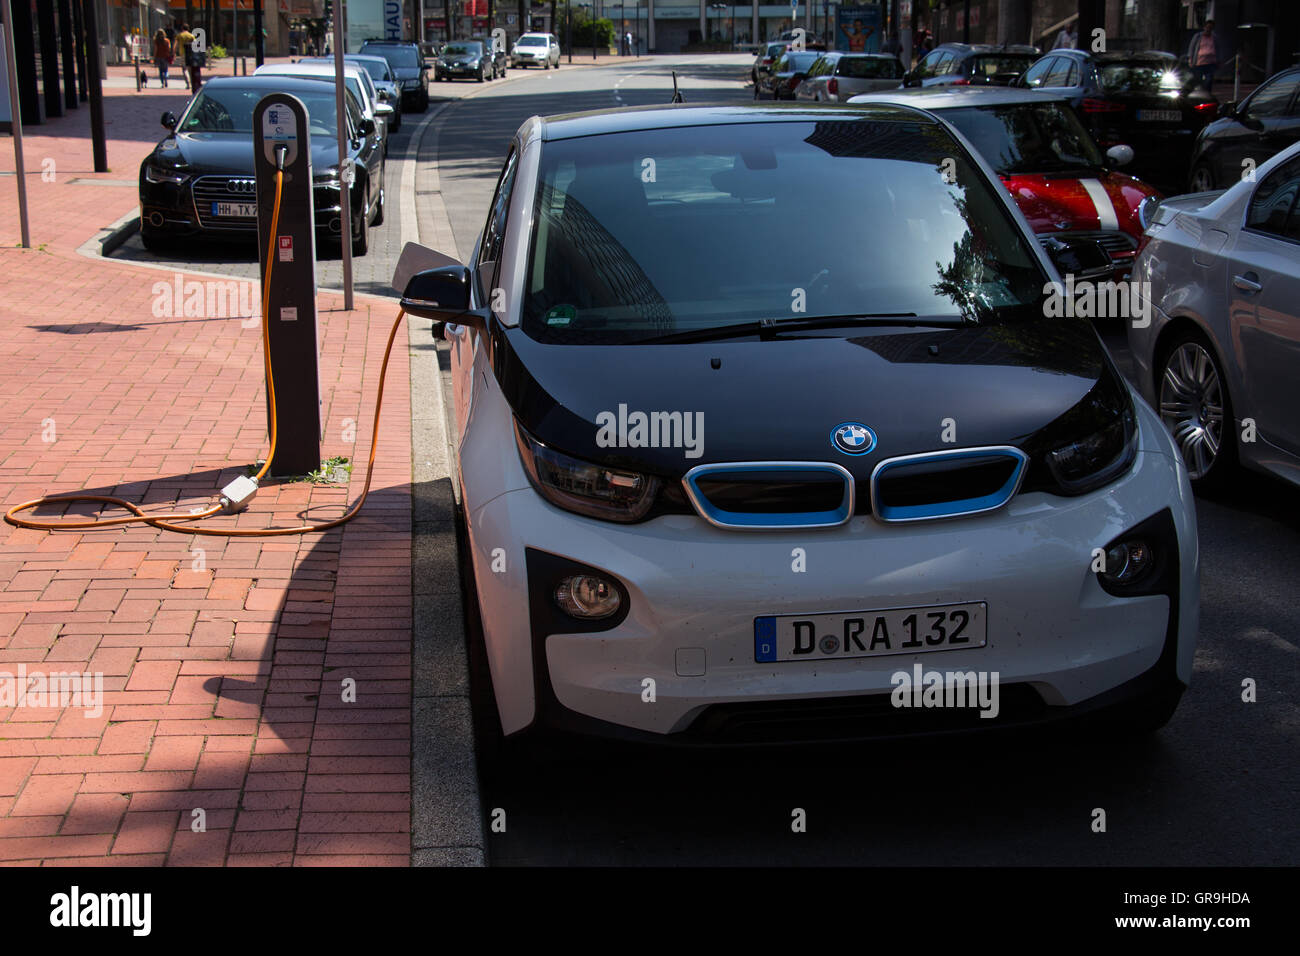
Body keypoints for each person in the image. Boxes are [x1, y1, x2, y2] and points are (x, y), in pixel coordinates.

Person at [1186, 18, 1222, 93]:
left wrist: (1218, 60)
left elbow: (1218, 49)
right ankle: (1199, 92)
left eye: (1211, 28)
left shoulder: (1214, 37)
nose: (1208, 29)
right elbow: (1192, 48)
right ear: (1204, 27)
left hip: (1211, 62)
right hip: (1199, 62)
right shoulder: (1198, 36)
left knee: (1209, 80)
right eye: (1207, 27)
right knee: (1198, 80)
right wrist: (1190, 59)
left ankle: (1207, 93)